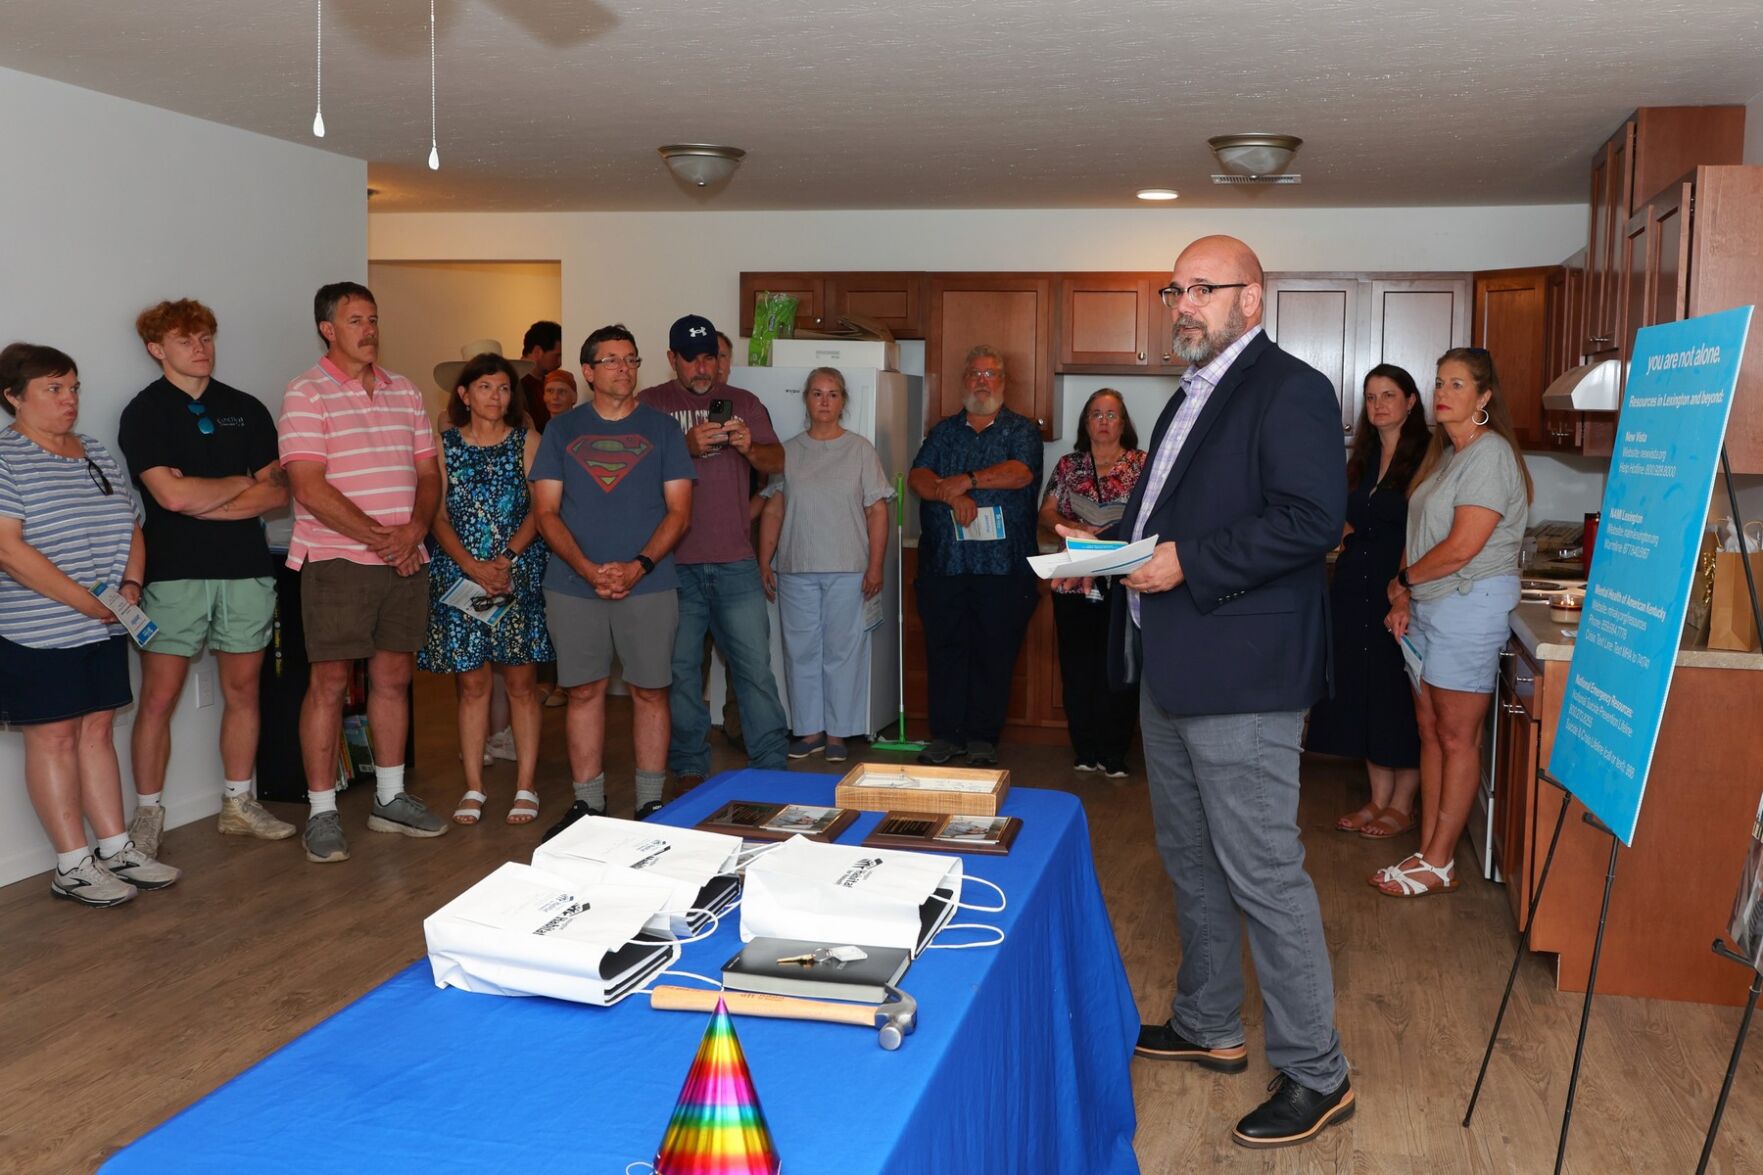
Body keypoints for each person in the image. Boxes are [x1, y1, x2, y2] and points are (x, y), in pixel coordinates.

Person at [1108, 236, 1353, 1148]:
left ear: (1252, 299)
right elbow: (1167, 523)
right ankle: (1209, 1021)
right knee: (1189, 858)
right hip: (1170, 665)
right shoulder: (1185, 394)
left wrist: (1183, 563)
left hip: (1243, 676)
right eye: (1176, 289)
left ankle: (1316, 1071)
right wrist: (1105, 558)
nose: (1184, 303)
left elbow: (1309, 520)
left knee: (1262, 871)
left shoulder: (1288, 387)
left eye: (1202, 289)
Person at [0, 342, 180, 905]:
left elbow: (132, 525)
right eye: (53, 389)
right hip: (37, 629)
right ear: (12, 397)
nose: (68, 400)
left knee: (98, 731)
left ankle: (116, 847)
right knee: (53, 738)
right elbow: (7, 549)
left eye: (73, 387)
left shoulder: (94, 449)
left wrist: (129, 587)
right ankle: (72, 865)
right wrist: (84, 601)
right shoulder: (4, 458)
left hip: (104, 622)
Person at [117, 299, 295, 858]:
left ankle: (238, 804)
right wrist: (238, 483)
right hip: (172, 575)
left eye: (207, 337)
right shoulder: (144, 412)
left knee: (243, 690)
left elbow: (278, 491)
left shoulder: (246, 408)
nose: (201, 348)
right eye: (186, 339)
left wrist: (204, 494)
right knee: (159, 697)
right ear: (156, 348)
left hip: (245, 570)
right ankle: (147, 814)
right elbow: (168, 497)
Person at [278, 281, 447, 864]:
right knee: (328, 685)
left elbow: (429, 474)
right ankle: (322, 812)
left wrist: (414, 532)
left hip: (405, 558)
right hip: (337, 561)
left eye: (373, 318)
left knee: (394, 680)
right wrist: (384, 538)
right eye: (355, 320)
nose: (368, 329)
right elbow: (307, 486)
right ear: (328, 328)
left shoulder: (405, 391)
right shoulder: (306, 393)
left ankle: (391, 799)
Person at [1379, 347, 1532, 897]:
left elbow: (1463, 547)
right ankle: (1428, 851)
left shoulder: (1489, 455)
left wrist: (1406, 584)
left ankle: (1439, 861)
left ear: (1485, 397)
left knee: (1456, 736)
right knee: (1431, 731)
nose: (1444, 393)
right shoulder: (1448, 455)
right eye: (1440, 382)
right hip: (1429, 607)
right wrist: (1403, 598)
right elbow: (1418, 536)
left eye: (1459, 384)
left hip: (1468, 605)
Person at [535, 324, 694, 834]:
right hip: (573, 584)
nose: (623, 368)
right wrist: (587, 569)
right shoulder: (562, 431)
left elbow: (679, 512)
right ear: (588, 371)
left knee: (651, 692)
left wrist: (637, 566)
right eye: (611, 360)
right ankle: (588, 806)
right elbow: (546, 512)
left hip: (648, 583)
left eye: (630, 359)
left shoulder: (663, 430)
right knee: (584, 691)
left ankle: (650, 804)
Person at [639, 314, 789, 783]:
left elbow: (778, 461)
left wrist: (748, 447)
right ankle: (687, 767)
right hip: (672, 565)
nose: (702, 369)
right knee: (681, 672)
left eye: (710, 358)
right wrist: (683, 447)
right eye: (691, 359)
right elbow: (632, 478)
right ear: (671, 359)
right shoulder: (650, 406)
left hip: (735, 562)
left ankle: (771, 767)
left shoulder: (743, 402)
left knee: (754, 670)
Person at [418, 352, 551, 826]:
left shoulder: (528, 441)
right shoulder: (443, 445)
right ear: (464, 394)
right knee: (472, 685)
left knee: (520, 684)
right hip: (459, 577)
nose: (496, 397)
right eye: (486, 388)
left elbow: (542, 510)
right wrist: (472, 565)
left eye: (504, 388)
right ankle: (473, 787)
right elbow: (434, 514)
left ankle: (526, 786)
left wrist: (505, 560)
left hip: (516, 575)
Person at [1304, 365, 1432, 840]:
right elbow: (1335, 511)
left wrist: (1406, 589)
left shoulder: (1429, 457)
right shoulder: (1362, 456)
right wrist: (1342, 530)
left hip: (1401, 587)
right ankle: (1377, 799)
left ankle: (1403, 804)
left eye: (1389, 395)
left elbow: (1427, 528)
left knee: (1398, 694)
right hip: (1353, 585)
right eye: (1371, 397)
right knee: (1361, 692)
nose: (1378, 405)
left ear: (1411, 401)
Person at [905, 344, 1041, 767]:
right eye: (976, 374)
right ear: (964, 381)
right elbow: (919, 476)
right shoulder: (944, 431)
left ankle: (983, 737)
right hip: (944, 564)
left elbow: (1020, 473)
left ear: (1004, 382)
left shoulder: (1021, 430)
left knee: (993, 653)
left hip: (1004, 567)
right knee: (944, 651)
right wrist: (950, 497)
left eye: (992, 374)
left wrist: (966, 481)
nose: (983, 381)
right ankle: (946, 736)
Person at [757, 367, 893, 764]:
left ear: (843, 402)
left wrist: (875, 566)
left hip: (849, 566)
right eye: (817, 394)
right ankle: (810, 729)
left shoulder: (861, 450)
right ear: (806, 399)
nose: (824, 402)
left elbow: (877, 512)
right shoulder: (788, 451)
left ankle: (838, 732)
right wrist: (764, 559)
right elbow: (774, 508)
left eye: (832, 394)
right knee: (799, 651)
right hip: (796, 565)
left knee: (842, 652)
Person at [1037, 387, 1146, 778]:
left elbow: (1153, 516)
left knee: (1117, 666)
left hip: (1122, 580)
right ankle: (1084, 750)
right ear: (1086, 422)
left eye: (1111, 414)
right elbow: (1046, 512)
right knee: (1078, 666)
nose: (1103, 421)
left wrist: (1110, 534)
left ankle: (1114, 754)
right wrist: (1074, 529)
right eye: (1096, 414)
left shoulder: (1141, 464)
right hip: (1073, 580)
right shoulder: (1068, 466)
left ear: (1123, 422)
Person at [518, 321, 563, 434]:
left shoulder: (548, 381)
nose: (560, 362)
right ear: (538, 351)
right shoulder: (514, 384)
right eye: (557, 355)